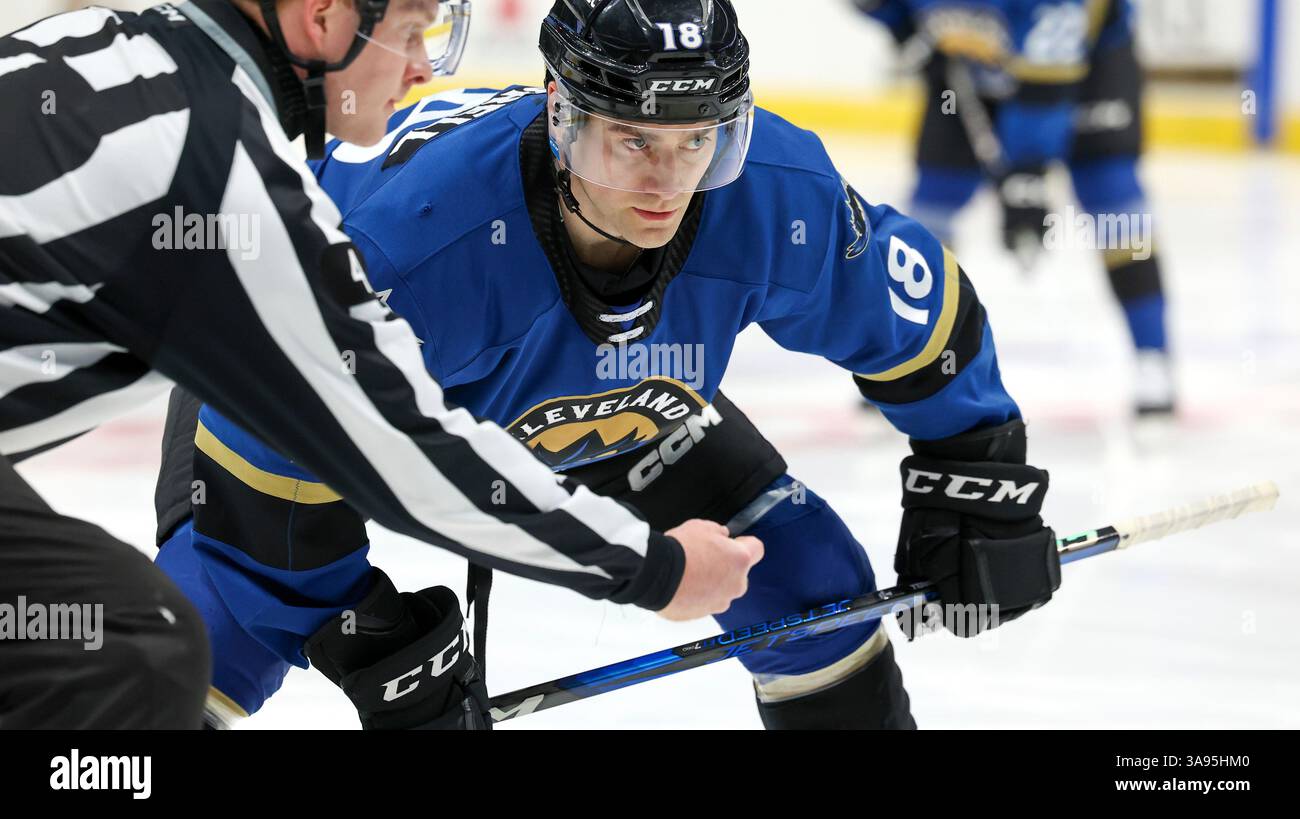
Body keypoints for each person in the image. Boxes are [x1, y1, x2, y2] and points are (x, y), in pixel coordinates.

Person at [155, 0, 1061, 731]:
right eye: (632, 141)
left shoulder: (773, 195)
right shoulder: (416, 248)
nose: (667, 184)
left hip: (607, 406)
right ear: (561, 118)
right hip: (287, 396)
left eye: (698, 140)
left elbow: (923, 316)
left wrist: (974, 467)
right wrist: (369, 638)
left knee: (811, 583)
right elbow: (266, 485)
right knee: (203, 645)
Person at [0, 0, 758, 730]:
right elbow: (394, 447)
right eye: (409, 30)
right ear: (323, 16)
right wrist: (652, 569)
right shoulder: (223, 176)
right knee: (138, 658)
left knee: (134, 645)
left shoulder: (112, 47)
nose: (425, 66)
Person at [854, 0, 1176, 416]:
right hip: (971, 70)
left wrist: (1026, 177)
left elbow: (1048, 77)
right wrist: (904, 29)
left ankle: (1153, 359)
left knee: (1114, 201)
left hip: (1090, 69)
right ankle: (899, 356)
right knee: (934, 199)